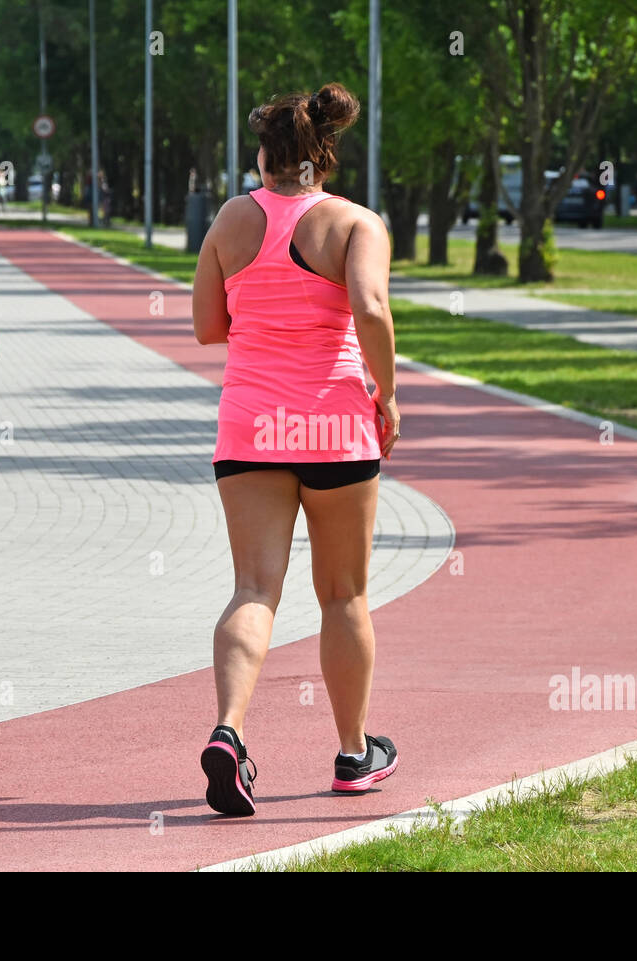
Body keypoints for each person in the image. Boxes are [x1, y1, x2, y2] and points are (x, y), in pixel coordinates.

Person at [191, 82, 400, 816]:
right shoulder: (355, 223)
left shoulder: (230, 219)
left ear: (264, 155)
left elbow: (207, 327)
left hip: (251, 427)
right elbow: (369, 307)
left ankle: (229, 731)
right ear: (325, 154)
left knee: (255, 588)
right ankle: (352, 753)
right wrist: (387, 391)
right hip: (334, 426)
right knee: (343, 593)